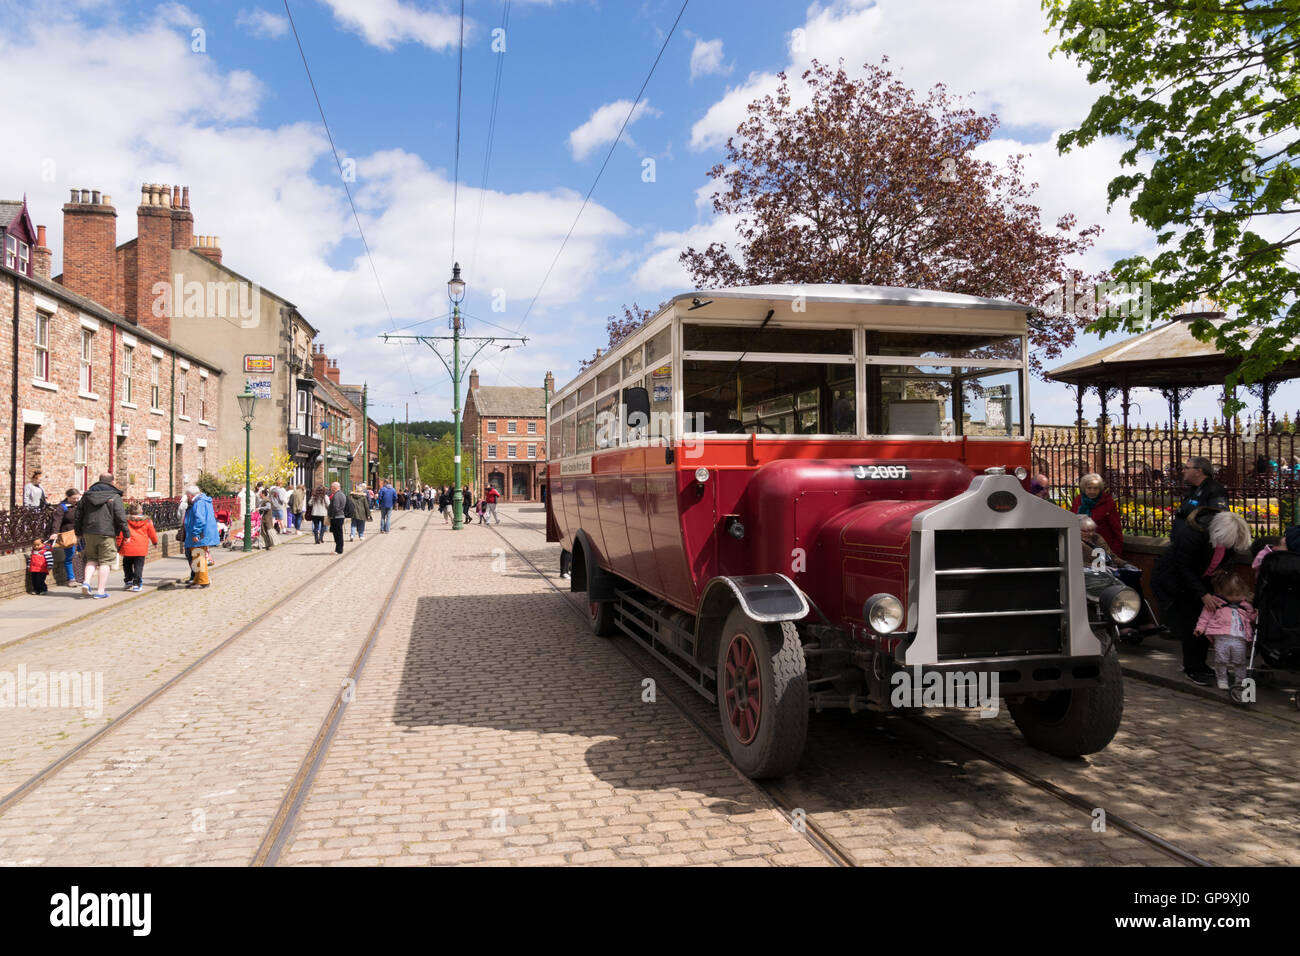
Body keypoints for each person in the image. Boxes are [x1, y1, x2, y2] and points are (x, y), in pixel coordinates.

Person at [1151, 506, 1251, 685]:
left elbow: (1227, 558)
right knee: (1192, 624)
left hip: (1203, 579)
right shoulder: (1193, 534)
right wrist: (1203, 594)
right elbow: (1184, 567)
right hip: (1178, 581)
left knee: (1208, 622)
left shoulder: (1230, 538)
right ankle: (1192, 668)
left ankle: (1201, 664)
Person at [1194, 568, 1257, 691]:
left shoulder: (1245, 605)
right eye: (1230, 595)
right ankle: (1222, 679)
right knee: (1221, 660)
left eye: (1237, 594)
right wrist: (1200, 628)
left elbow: (1250, 618)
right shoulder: (1216, 603)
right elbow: (1205, 617)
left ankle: (1240, 681)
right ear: (1221, 592)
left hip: (1239, 638)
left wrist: (1256, 614)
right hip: (1221, 637)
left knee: (1240, 661)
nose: (1234, 598)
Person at [74, 473, 130, 599]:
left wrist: (78, 533)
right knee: (106, 562)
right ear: (112, 482)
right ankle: (100, 591)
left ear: (99, 481)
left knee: (91, 559)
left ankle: (86, 582)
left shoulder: (87, 496)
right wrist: (126, 533)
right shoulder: (115, 497)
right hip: (107, 533)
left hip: (89, 532)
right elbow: (120, 517)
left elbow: (78, 515)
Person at [1071, 473, 1123, 558]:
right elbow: (1072, 522)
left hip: (1102, 549)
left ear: (1100, 489)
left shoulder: (1108, 503)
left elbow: (1116, 530)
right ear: (1084, 488)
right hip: (1080, 548)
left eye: (1096, 488)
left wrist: (1114, 554)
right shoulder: (1078, 500)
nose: (1092, 491)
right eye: (1089, 488)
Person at [1174, 457, 1229, 527]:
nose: (1183, 471)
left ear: (1198, 472)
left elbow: (1221, 518)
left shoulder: (1214, 490)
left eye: (1186, 468)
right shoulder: (1194, 489)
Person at [182, 483, 220, 587]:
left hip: (200, 535)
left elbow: (200, 520)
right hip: (200, 534)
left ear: (190, 495)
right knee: (196, 557)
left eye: (187, 496)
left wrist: (196, 533)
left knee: (199, 557)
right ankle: (197, 578)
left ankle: (203, 580)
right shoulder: (202, 501)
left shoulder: (199, 503)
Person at [116, 502, 158, 591]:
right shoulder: (147, 521)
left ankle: (128, 580)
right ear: (141, 511)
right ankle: (137, 584)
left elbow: (121, 534)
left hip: (127, 547)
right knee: (138, 566)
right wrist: (155, 542)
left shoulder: (126, 521)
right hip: (141, 549)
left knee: (126, 565)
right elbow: (152, 533)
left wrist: (118, 545)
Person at [54, 489, 81, 587]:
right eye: (74, 498)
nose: (76, 500)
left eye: (78, 498)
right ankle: (71, 579)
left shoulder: (78, 505)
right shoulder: (62, 507)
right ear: (68, 497)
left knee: (80, 555)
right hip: (68, 534)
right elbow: (57, 520)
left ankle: (80, 577)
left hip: (79, 534)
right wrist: (55, 532)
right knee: (69, 557)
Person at [327, 481, 348, 554]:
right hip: (341, 516)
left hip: (336, 517)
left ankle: (339, 549)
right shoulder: (342, 494)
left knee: (337, 534)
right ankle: (339, 548)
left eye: (331, 487)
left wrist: (330, 515)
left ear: (334, 488)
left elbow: (335, 507)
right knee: (339, 533)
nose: (330, 488)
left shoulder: (336, 495)